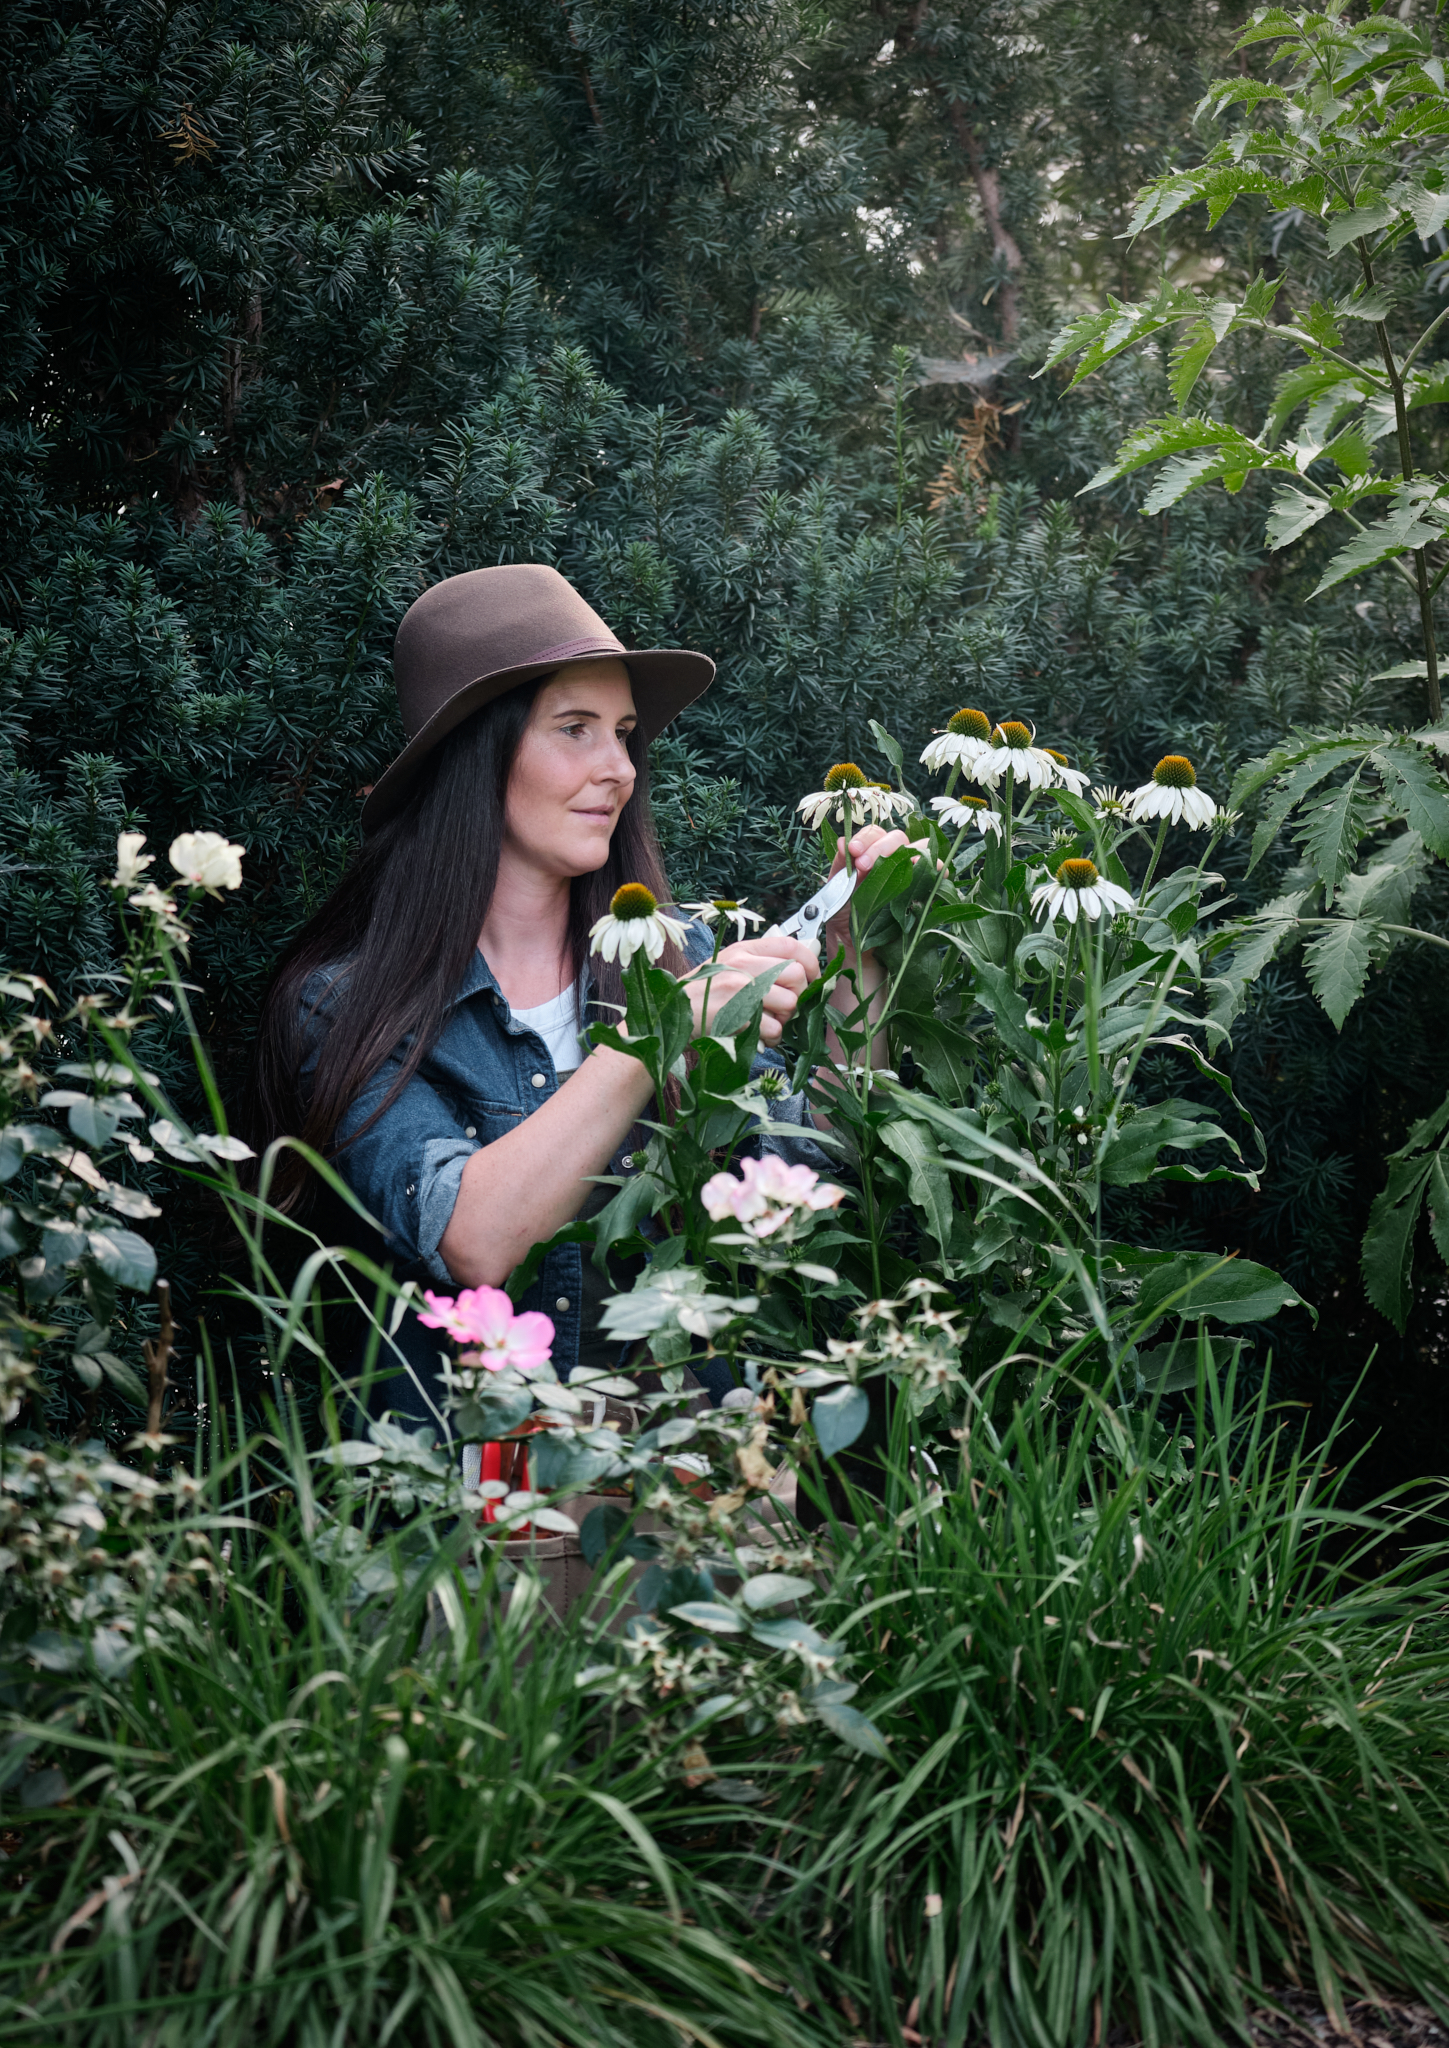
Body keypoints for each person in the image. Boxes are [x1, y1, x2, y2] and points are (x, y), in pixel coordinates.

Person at [249, 563, 910, 1429]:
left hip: (694, 1495)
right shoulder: (346, 1007)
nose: (619, 768)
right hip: (477, 1519)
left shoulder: (683, 958)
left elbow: (812, 1182)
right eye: (575, 729)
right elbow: (477, 1238)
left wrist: (857, 957)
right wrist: (656, 1040)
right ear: (475, 756)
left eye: (625, 733)